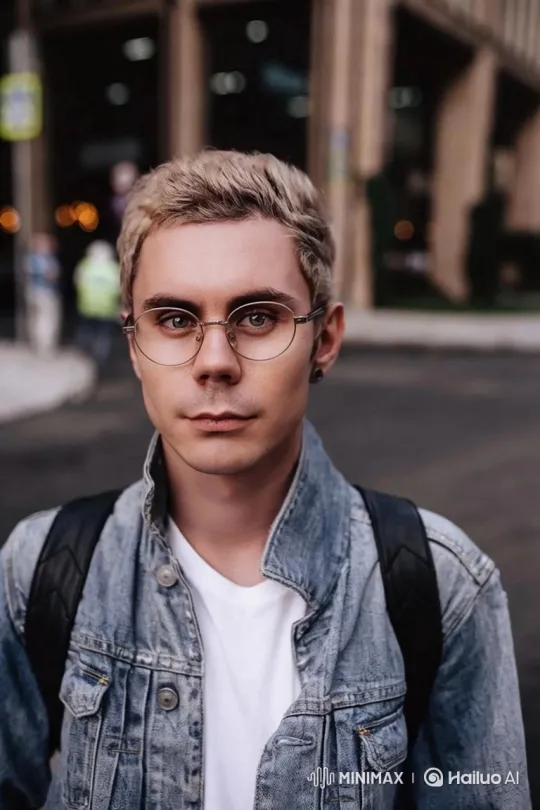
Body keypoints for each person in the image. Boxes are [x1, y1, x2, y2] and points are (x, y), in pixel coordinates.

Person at [0, 151, 530, 809]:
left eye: (257, 317)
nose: (214, 363)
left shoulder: (441, 585)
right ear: (133, 344)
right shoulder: (40, 570)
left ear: (325, 341)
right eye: (173, 320)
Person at [73, 240, 121, 370]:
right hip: (106, 309)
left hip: (87, 307)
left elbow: (77, 282)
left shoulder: (85, 265)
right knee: (103, 335)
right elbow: (118, 289)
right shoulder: (112, 267)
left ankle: (84, 356)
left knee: (87, 332)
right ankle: (99, 359)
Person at [24, 232, 62, 356]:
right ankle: (44, 347)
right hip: (44, 293)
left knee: (37, 320)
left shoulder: (30, 258)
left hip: (34, 292)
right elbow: (49, 275)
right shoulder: (43, 259)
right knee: (45, 321)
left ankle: (37, 345)